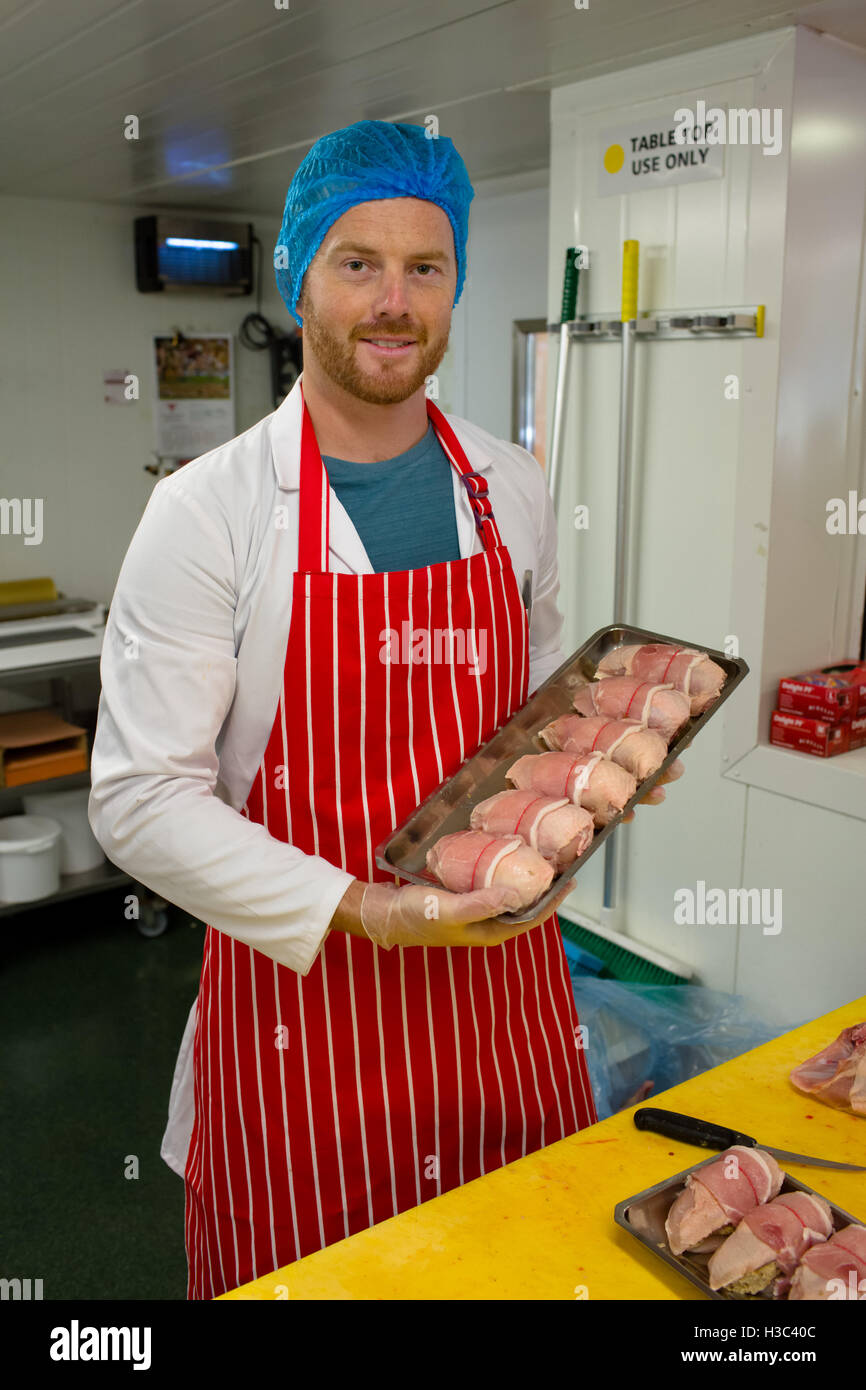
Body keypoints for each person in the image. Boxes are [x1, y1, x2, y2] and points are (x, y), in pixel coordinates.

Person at [89, 119, 682, 1300]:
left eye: (426, 267)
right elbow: (140, 798)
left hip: (503, 999)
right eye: (356, 263)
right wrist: (367, 907)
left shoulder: (508, 481)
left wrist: (608, 754)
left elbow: (539, 707)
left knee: (522, 1270)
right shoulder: (209, 512)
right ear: (296, 276)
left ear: (455, 282)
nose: (392, 300)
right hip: (300, 1020)